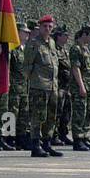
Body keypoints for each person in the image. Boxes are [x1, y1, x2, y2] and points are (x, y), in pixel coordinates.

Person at [24, 15, 62, 157]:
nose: (47, 29)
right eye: (45, 26)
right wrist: (31, 83)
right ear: (40, 27)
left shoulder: (52, 43)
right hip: (39, 86)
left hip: (52, 87)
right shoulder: (34, 43)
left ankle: (47, 144)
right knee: (38, 117)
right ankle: (36, 145)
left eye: (50, 27)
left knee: (51, 117)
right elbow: (27, 66)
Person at [69, 26, 90, 150]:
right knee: (80, 113)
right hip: (81, 87)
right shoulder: (76, 49)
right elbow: (75, 68)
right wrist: (81, 86)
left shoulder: (86, 49)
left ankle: (84, 137)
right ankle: (77, 139)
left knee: (89, 112)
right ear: (84, 34)